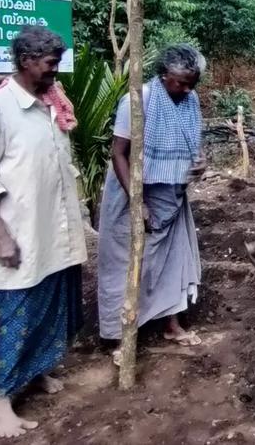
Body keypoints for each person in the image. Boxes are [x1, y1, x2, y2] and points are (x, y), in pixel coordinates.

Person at [0, 26, 86, 438]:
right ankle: (1, 402)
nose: (55, 70)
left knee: (52, 309)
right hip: (21, 236)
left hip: (56, 230)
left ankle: (34, 375)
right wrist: (0, 235)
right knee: (20, 314)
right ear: (26, 61)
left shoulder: (50, 104)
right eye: (50, 63)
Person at [97, 44, 205, 358]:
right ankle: (121, 338)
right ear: (162, 75)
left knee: (171, 261)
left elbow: (192, 141)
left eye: (191, 83)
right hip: (135, 193)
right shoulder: (137, 101)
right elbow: (119, 153)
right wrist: (137, 202)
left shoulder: (191, 100)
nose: (186, 89)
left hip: (171, 196)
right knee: (127, 263)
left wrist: (200, 161)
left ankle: (171, 325)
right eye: (180, 82)